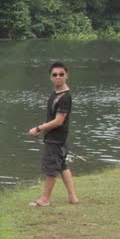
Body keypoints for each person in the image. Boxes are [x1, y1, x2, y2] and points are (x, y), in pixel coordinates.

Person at [29, 61, 79, 206]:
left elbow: (58, 121)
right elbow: (52, 118)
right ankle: (72, 197)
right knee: (62, 166)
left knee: (51, 168)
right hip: (56, 137)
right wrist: (43, 130)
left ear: (66, 76)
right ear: (50, 77)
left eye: (61, 74)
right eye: (54, 74)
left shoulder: (65, 97)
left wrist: (38, 128)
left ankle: (45, 199)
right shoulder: (56, 94)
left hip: (56, 139)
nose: (58, 77)